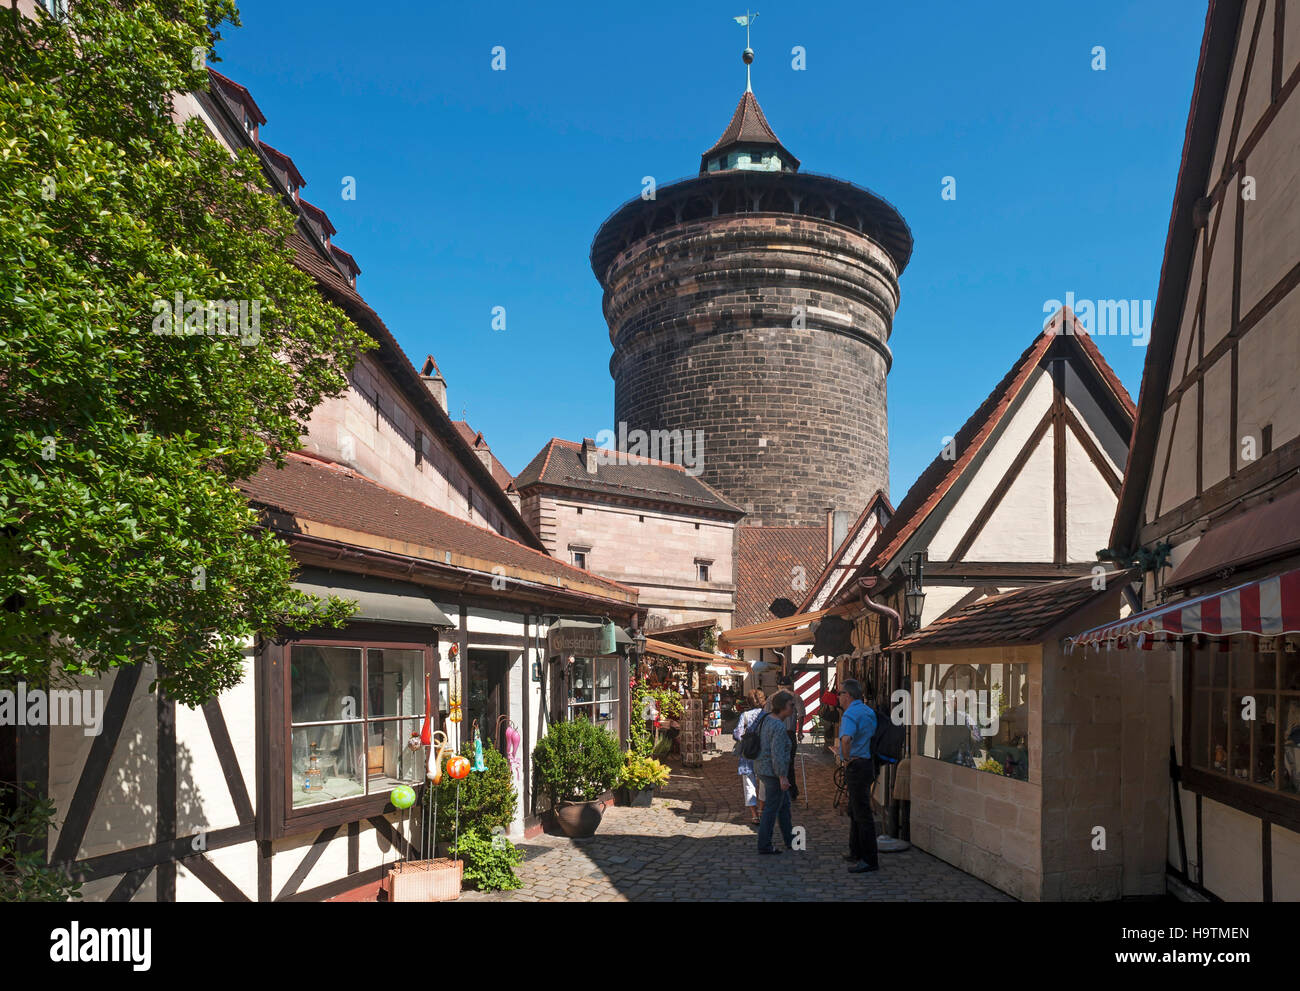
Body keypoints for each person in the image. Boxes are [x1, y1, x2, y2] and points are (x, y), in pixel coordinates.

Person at [837, 679, 879, 874]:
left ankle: (869, 860)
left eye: (840, 693)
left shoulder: (850, 714)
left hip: (856, 764)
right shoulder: (867, 711)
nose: (838, 697)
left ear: (848, 695)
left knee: (862, 814)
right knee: (855, 810)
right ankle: (855, 851)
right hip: (867, 763)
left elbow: (846, 739)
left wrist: (845, 760)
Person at [755, 690, 797, 854]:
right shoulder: (778, 726)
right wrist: (782, 777)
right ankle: (764, 844)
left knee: (784, 805)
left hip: (763, 768)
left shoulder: (767, 719)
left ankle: (790, 840)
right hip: (772, 772)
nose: (793, 708)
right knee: (771, 809)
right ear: (782, 707)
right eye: (790, 705)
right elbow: (777, 754)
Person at [733, 689, 767, 824]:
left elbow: (737, 734)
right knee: (764, 782)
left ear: (749, 702)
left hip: (748, 753)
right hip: (763, 753)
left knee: (749, 784)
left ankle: (754, 814)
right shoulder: (767, 715)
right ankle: (762, 810)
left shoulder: (745, 715)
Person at [776, 675, 805, 801]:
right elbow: (801, 715)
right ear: (791, 685)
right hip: (789, 733)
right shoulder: (796, 697)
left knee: (777, 761)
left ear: (779, 686)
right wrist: (800, 731)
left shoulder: (772, 698)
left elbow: (766, 716)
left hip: (776, 733)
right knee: (789, 763)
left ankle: (779, 789)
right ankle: (791, 791)